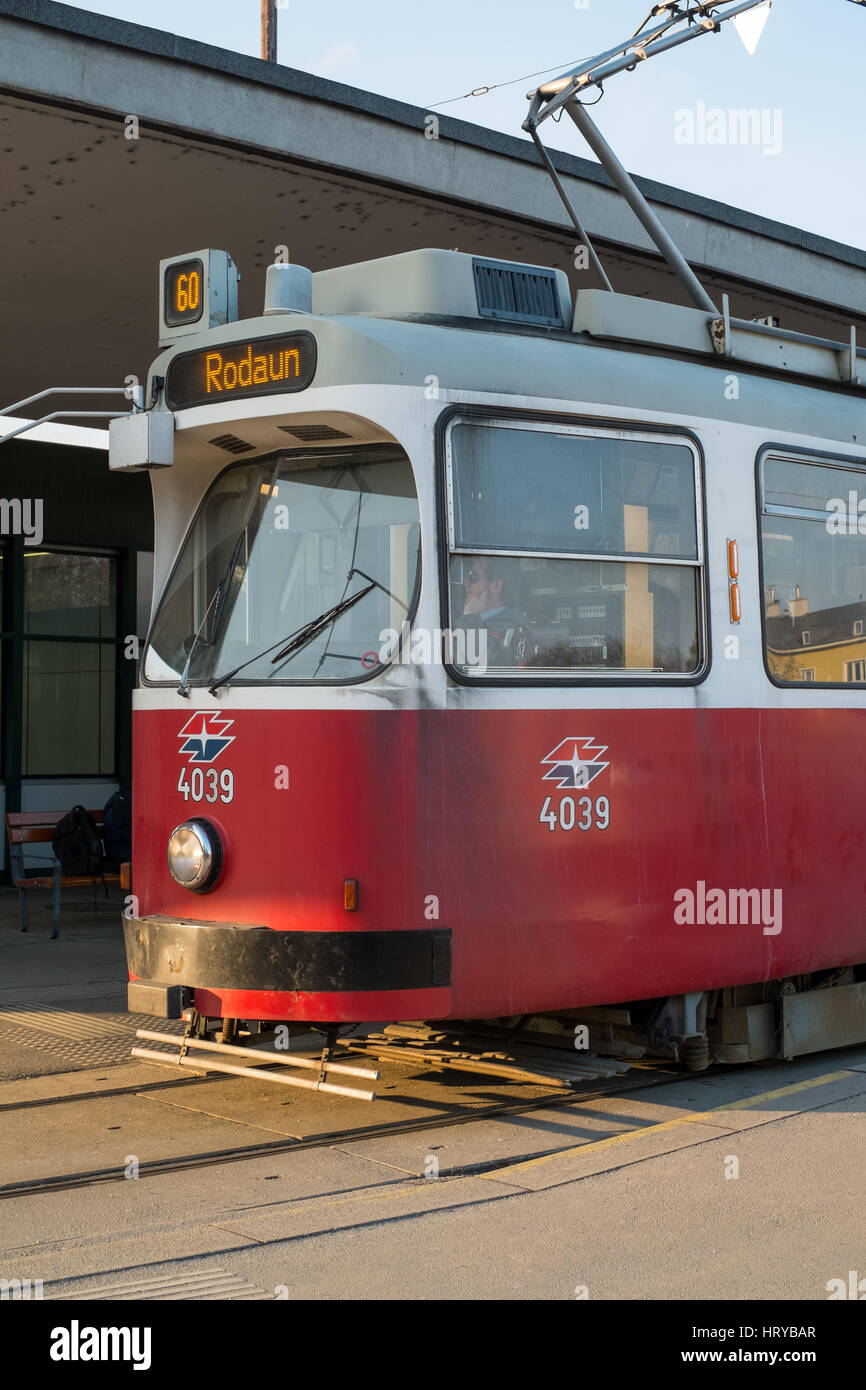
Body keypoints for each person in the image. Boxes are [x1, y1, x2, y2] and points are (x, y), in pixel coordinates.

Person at [454, 555, 528, 667]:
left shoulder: (508, 630)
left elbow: (475, 670)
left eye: (473, 577)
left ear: (496, 586)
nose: (466, 583)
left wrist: (469, 619)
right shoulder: (495, 623)